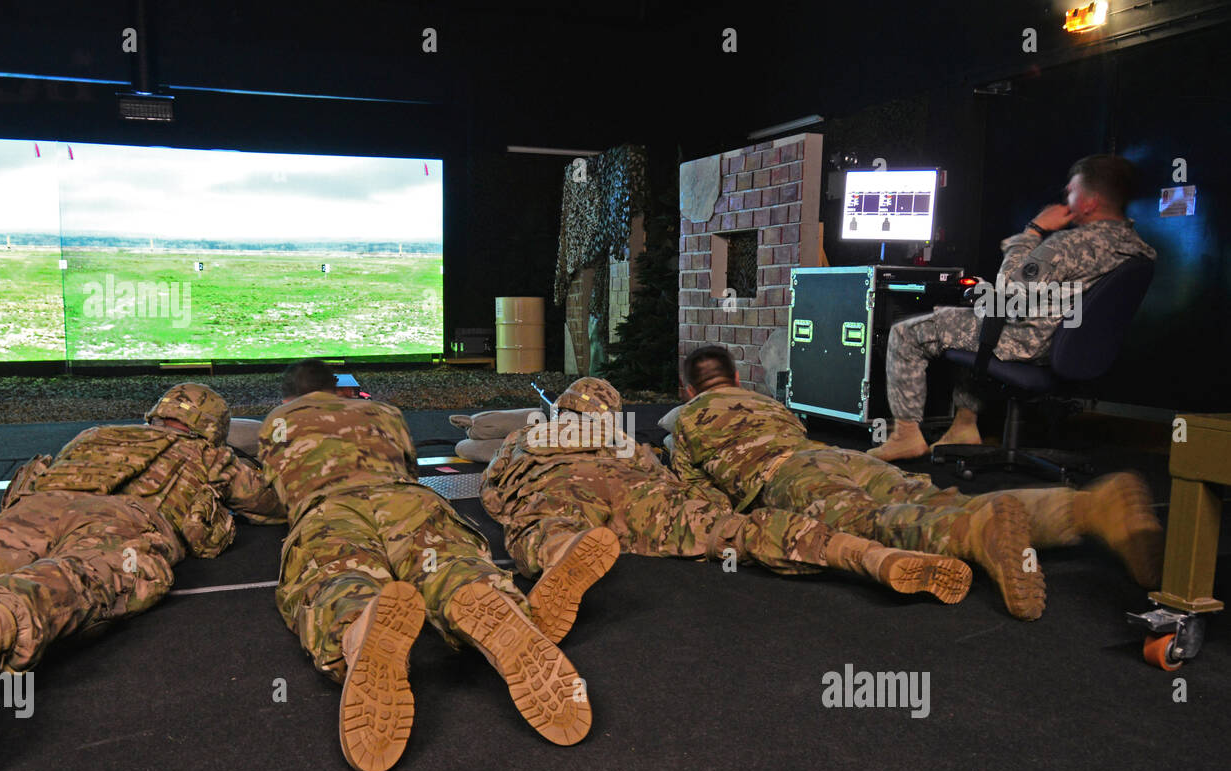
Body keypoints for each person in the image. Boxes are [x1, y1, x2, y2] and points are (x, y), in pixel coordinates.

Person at [0, 383, 283, 771]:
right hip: (121, 518)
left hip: (36, 506)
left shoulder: (94, 434)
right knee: (81, 575)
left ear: (156, 413)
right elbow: (269, 505)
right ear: (211, 428)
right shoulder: (211, 455)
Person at [258, 360, 594, 771]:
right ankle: (484, 599)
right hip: (408, 501)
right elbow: (408, 467)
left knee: (338, 578)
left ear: (290, 397)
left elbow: (272, 492)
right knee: (450, 562)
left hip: (330, 509)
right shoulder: (383, 413)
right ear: (340, 388)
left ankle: (357, 626)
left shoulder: (276, 421)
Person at [673, 345, 1165, 621]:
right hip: (838, 455)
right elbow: (798, 437)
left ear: (688, 390)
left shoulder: (688, 419)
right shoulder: (768, 402)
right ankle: (1087, 508)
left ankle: (974, 535)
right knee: (932, 495)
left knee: (873, 523)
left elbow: (698, 498)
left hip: (789, 475)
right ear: (737, 376)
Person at [482, 377, 973, 607]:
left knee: (542, 522)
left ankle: (564, 550)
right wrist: (694, 508)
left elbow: (494, 494)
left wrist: (514, 509)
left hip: (560, 483)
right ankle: (866, 556)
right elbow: (662, 474)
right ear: (608, 415)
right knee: (737, 533)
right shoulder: (622, 438)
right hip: (639, 489)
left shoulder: (526, 436)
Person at [872, 154, 1158, 462]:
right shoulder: (1137, 248)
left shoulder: (1068, 246)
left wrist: (1033, 231)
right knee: (967, 323)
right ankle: (964, 426)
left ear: (1089, 202)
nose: (1066, 198)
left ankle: (906, 436)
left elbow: (1009, 294)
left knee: (908, 332)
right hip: (1069, 343)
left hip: (1028, 341)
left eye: (1071, 192)